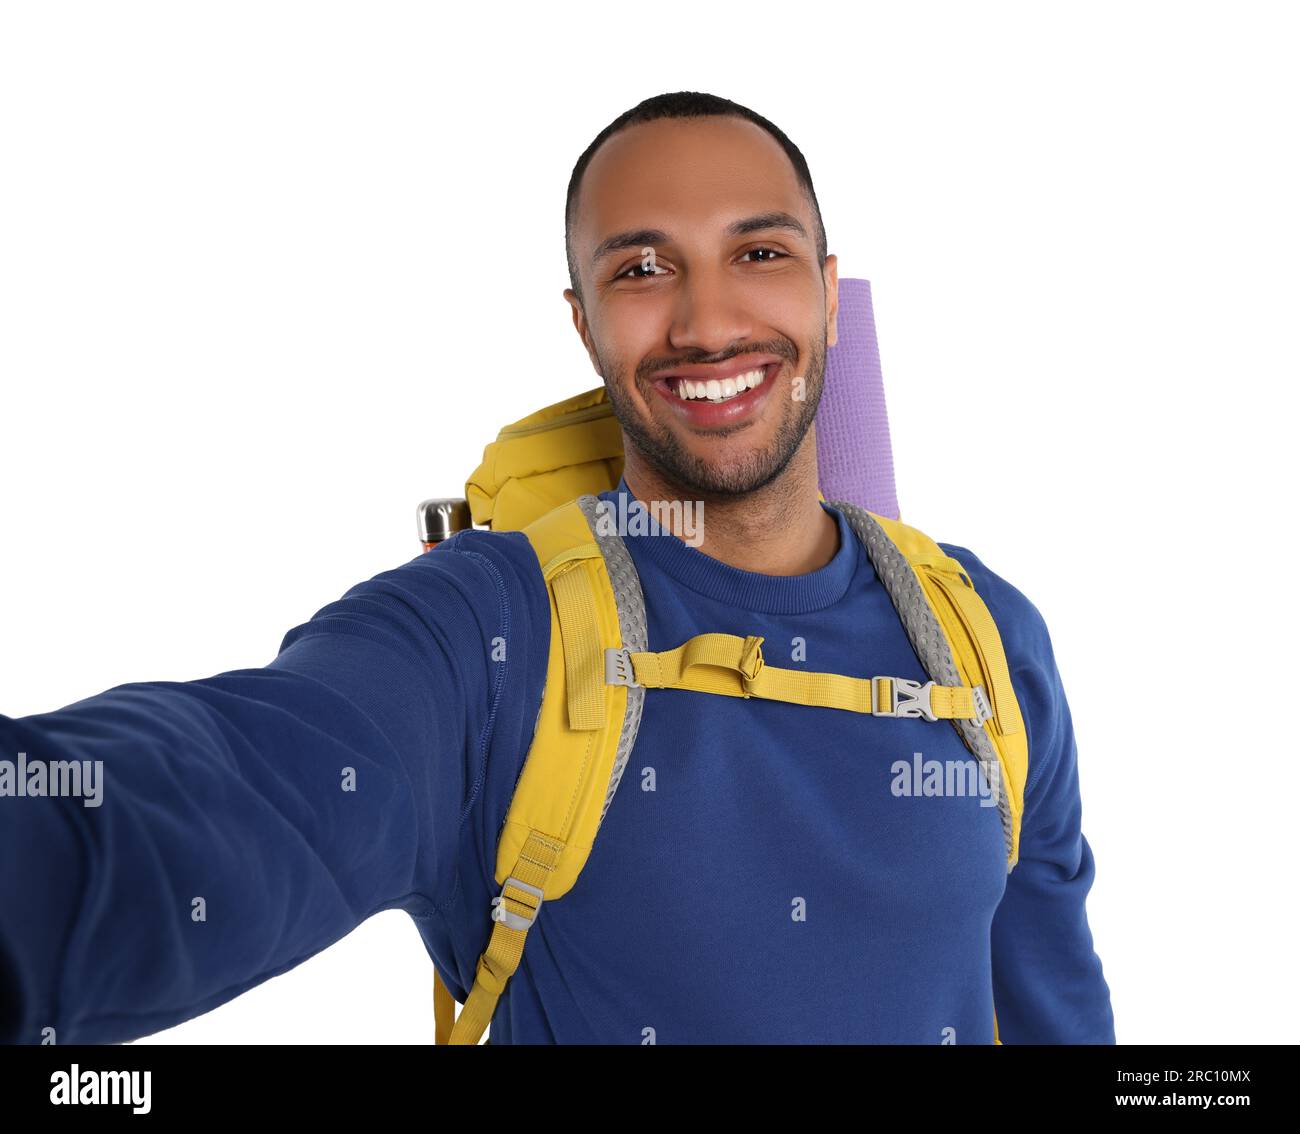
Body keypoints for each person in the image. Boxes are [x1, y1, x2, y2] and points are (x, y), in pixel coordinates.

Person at [0, 90, 1114, 1045]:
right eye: (642, 268)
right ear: (582, 323)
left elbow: (1054, 1007)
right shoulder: (491, 631)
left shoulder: (985, 635)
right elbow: (213, 793)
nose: (708, 319)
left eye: (759, 253)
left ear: (830, 290)